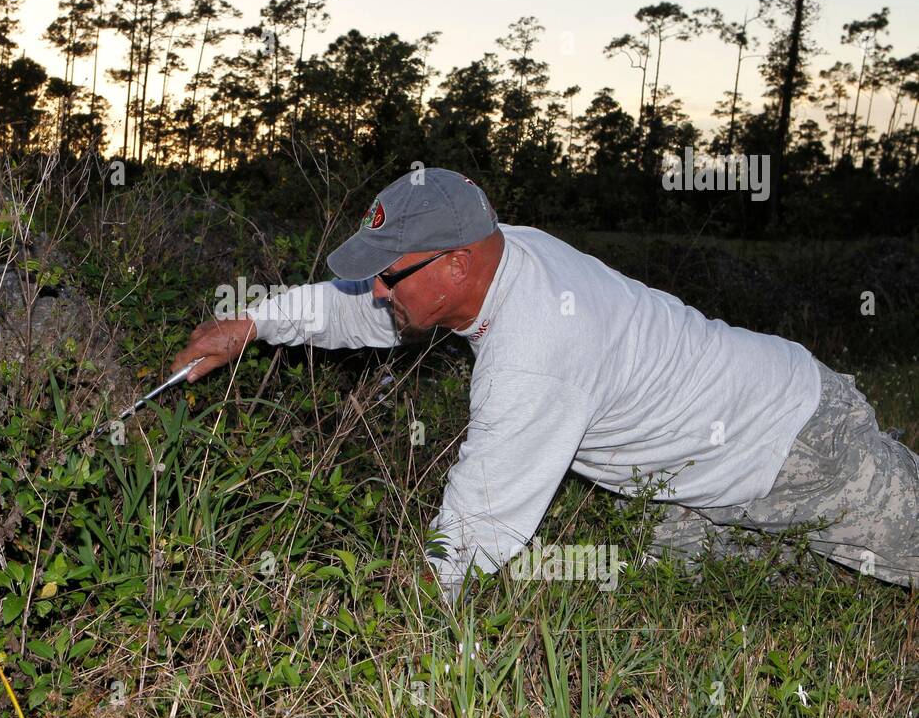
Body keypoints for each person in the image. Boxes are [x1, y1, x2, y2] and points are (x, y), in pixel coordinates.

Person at [172, 167, 919, 601]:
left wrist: (397, 622)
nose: (375, 291)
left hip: (795, 439)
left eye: (387, 275)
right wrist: (253, 325)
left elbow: (474, 530)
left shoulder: (538, 347)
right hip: (705, 469)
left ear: (456, 262)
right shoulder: (501, 250)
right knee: (671, 589)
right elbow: (369, 316)